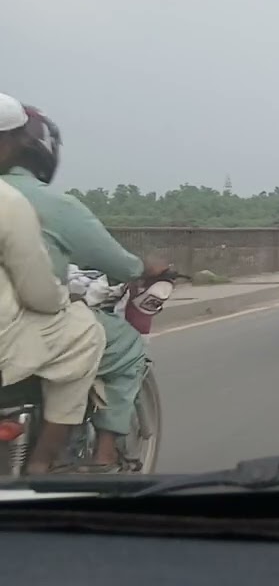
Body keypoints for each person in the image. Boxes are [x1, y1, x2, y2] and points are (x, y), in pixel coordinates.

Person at [0, 95, 169, 473]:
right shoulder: (40, 203)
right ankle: (94, 456)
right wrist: (145, 267)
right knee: (114, 342)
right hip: (17, 331)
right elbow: (111, 265)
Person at [0, 99, 106, 474]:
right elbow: (39, 294)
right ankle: (43, 460)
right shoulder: (8, 202)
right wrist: (65, 299)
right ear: (12, 142)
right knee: (83, 331)